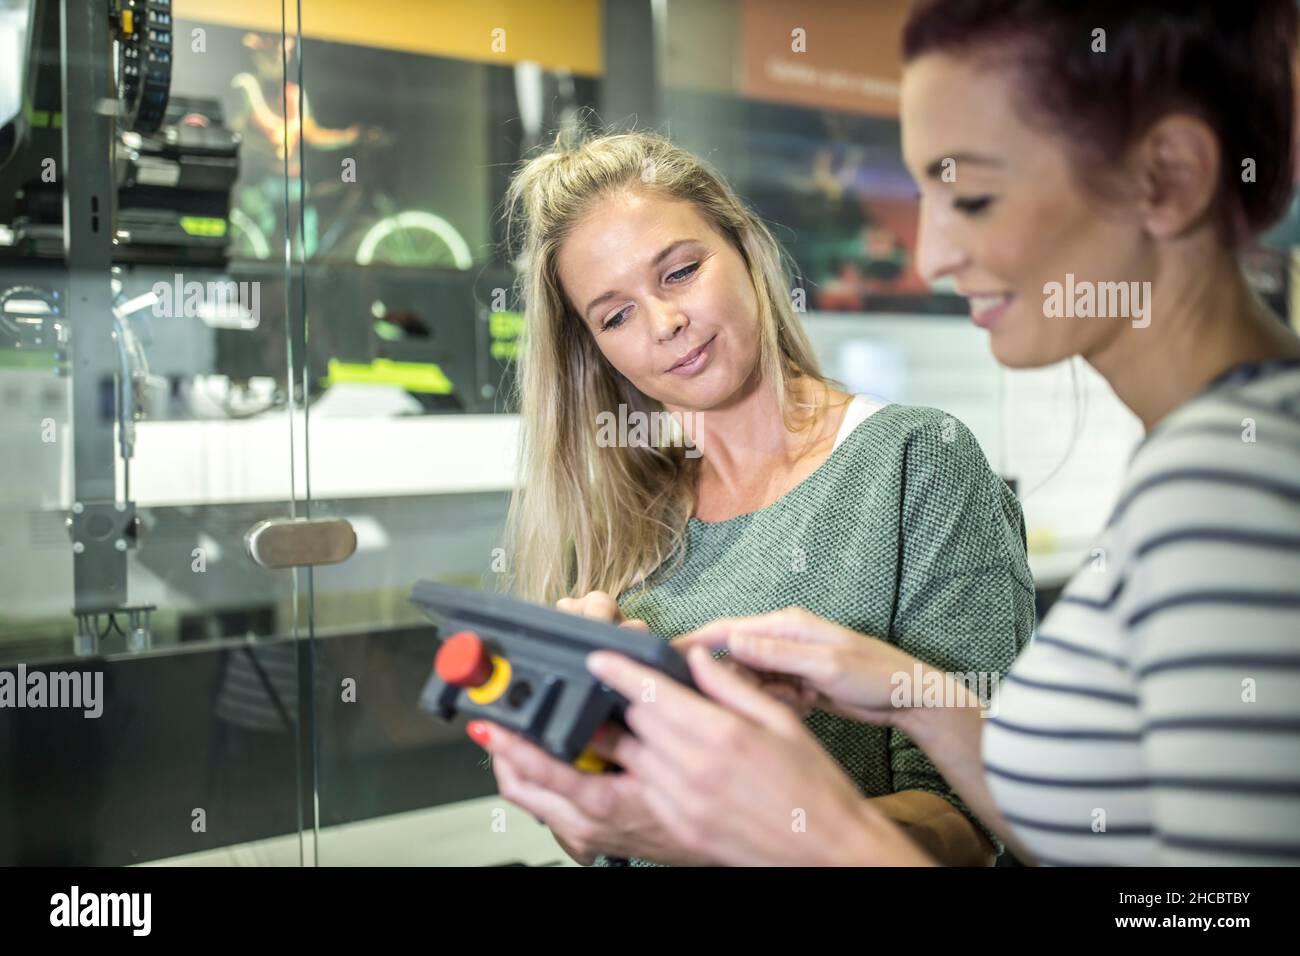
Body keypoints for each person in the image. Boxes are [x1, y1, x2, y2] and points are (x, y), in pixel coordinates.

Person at [473, 0, 1300, 865]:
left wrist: (748, 819)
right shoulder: (1197, 474)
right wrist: (910, 697)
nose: (932, 253)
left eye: (973, 196)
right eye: (614, 315)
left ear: (1167, 177)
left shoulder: (1231, 490)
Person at [488, 127, 1036, 865]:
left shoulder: (915, 462)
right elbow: (598, 840)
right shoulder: (616, 519)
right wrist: (578, 755)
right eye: (615, 315)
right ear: (594, 349)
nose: (664, 324)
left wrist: (737, 833)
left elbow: (975, 824)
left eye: (680, 272)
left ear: (747, 249)